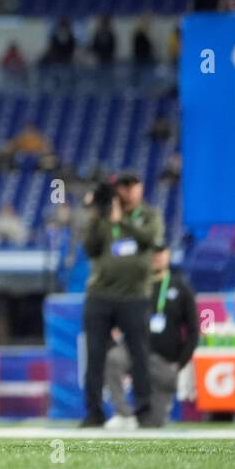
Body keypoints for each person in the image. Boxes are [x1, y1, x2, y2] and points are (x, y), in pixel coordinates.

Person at [80, 173, 165, 428]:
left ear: (140, 188)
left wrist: (123, 223)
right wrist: (97, 214)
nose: (127, 191)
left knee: (139, 354)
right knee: (94, 355)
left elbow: (152, 240)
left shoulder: (150, 215)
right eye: (122, 186)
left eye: (131, 185)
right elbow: (90, 248)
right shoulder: (104, 217)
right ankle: (94, 412)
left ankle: (143, 411)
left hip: (134, 296)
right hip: (100, 296)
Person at [103, 256, 197, 428]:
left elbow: (193, 331)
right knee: (114, 357)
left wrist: (179, 364)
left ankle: (150, 414)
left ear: (168, 255)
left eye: (161, 253)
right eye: (152, 253)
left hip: (162, 362)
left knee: (152, 424)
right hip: (134, 352)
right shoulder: (134, 286)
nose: (156, 257)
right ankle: (123, 413)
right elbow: (113, 320)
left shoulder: (181, 287)